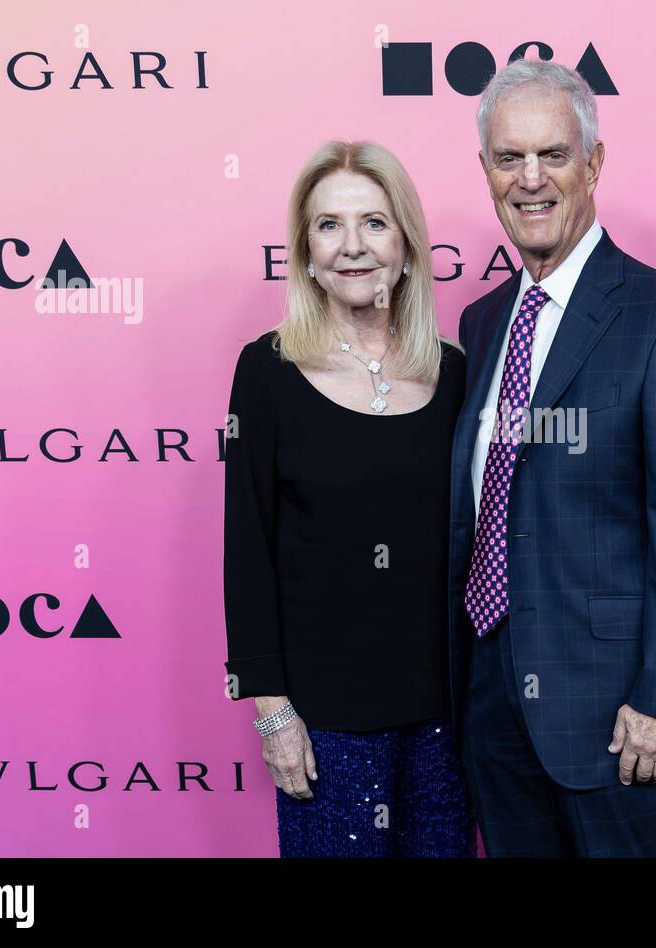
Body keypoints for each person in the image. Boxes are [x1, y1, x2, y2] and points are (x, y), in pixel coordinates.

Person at [447, 59, 656, 857]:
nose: (531, 179)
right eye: (509, 158)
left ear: (594, 163)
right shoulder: (480, 324)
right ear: (486, 171)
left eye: (554, 155)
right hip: (489, 701)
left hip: (617, 717)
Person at [223, 140, 475, 858]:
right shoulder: (267, 372)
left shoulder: (454, 370)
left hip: (449, 718)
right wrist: (273, 714)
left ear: (406, 244)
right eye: (329, 225)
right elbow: (248, 549)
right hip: (326, 722)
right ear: (305, 250)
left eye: (374, 222)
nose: (352, 247)